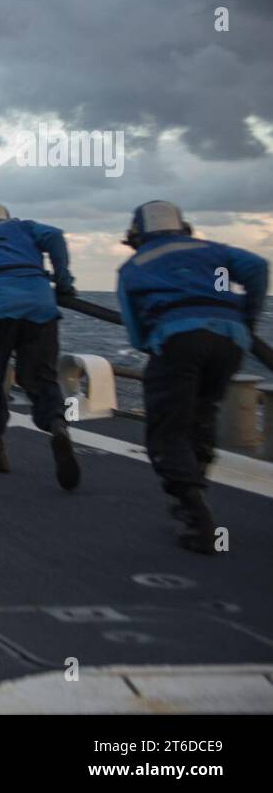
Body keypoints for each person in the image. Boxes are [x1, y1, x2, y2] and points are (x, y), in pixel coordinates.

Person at [116, 201, 268, 554]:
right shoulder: (211, 250)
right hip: (229, 340)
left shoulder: (135, 265)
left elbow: (135, 327)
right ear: (184, 227)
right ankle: (196, 483)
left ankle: (191, 506)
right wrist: (246, 319)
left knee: (167, 426)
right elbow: (257, 267)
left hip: (177, 338)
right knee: (202, 414)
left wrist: (151, 343)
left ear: (136, 235)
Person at [0, 199, 80, 490]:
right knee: (40, 375)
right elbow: (55, 237)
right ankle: (57, 423)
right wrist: (63, 282)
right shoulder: (24, 228)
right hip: (38, 304)